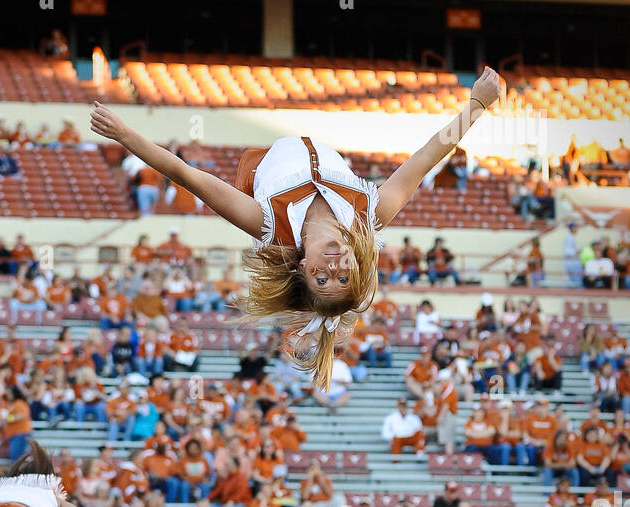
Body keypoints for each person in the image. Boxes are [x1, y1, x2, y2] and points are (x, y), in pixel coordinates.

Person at [90, 69, 502, 391]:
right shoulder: (369, 216)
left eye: (323, 277)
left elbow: (187, 174)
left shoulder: (270, 225)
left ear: (303, 268)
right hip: (322, 145)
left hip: (261, 164)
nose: (335, 266)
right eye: (344, 275)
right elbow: (430, 154)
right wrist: (476, 107)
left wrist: (126, 135)